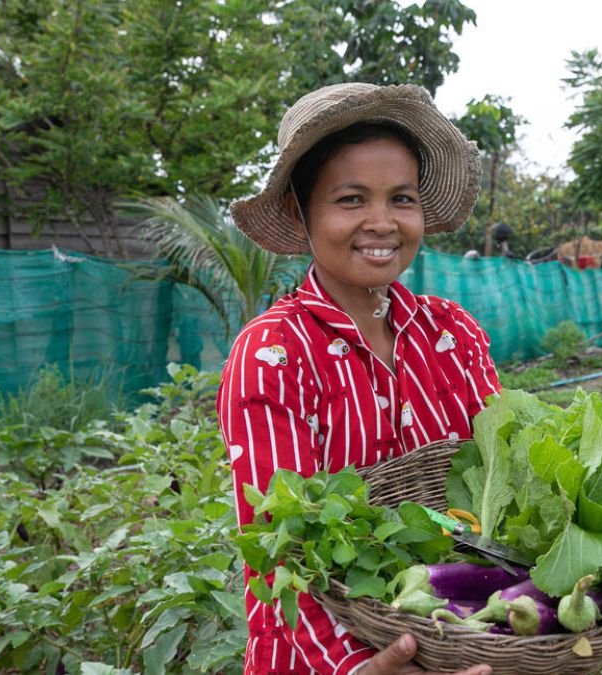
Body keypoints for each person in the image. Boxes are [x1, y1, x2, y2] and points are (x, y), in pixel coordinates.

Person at [217, 82, 501, 675]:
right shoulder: (275, 353)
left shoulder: (453, 333)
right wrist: (354, 667)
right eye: (351, 199)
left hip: (465, 635)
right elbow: (280, 543)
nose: (382, 222)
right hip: (319, 657)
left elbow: (504, 478)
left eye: (402, 199)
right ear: (298, 211)